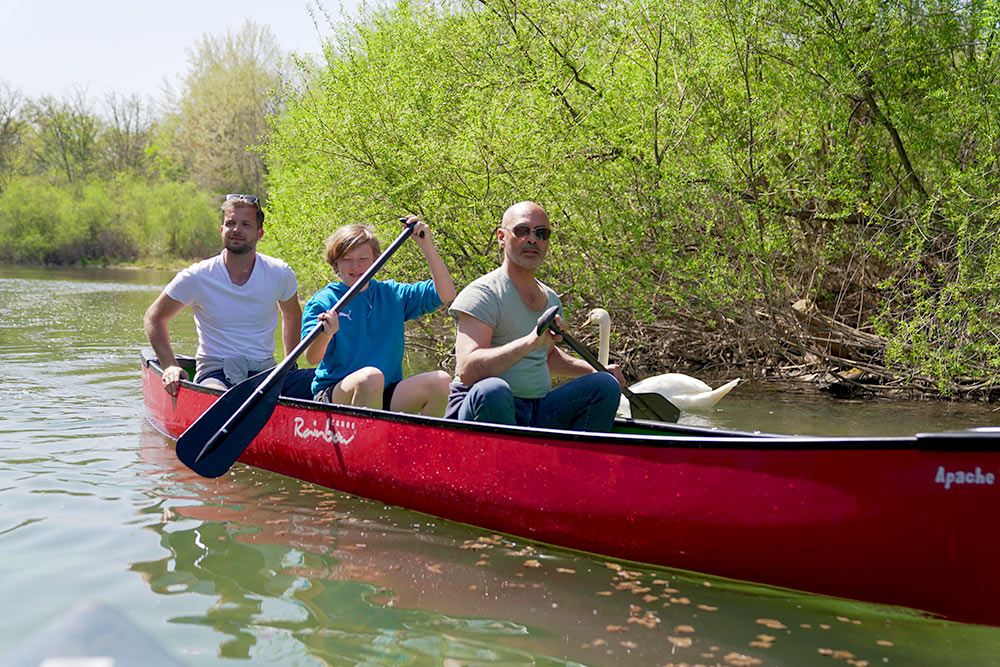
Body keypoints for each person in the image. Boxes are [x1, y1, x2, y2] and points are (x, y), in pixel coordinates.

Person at [447, 201, 624, 431]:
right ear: (501, 237)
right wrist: (530, 342)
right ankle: (505, 462)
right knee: (493, 390)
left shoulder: (550, 299)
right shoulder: (482, 294)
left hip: (537, 411)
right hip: (485, 406)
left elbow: (547, 355)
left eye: (541, 233)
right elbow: (468, 371)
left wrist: (595, 370)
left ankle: (575, 463)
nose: (532, 239)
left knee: (604, 385)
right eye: (522, 231)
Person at [144, 193, 315, 398]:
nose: (236, 230)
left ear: (259, 233)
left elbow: (292, 316)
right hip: (216, 373)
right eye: (230, 223)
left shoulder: (279, 272)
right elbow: (154, 317)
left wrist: (290, 364)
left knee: (324, 381)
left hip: (265, 372)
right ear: (222, 230)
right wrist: (170, 365)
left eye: (245, 224)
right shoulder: (198, 276)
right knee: (220, 398)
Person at [302, 215, 456, 415]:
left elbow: (446, 294)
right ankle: (363, 445)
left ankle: (418, 446)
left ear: (376, 260)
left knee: (441, 382)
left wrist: (426, 245)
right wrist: (325, 334)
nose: (355, 267)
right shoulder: (325, 301)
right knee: (370, 377)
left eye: (363, 259)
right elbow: (312, 358)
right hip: (336, 394)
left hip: (384, 392)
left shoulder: (393, 294)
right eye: (347, 260)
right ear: (335, 264)